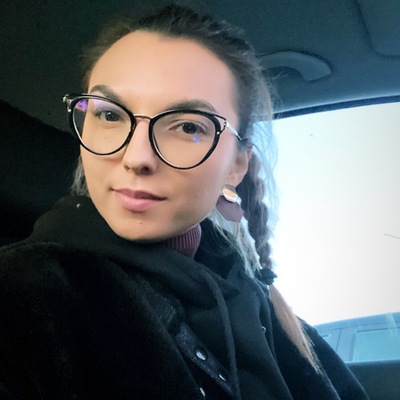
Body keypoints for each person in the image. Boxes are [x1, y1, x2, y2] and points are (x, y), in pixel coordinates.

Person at [0, 4, 368, 400]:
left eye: (188, 126)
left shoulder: (258, 300)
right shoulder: (26, 295)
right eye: (109, 115)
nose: (137, 157)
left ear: (236, 165)